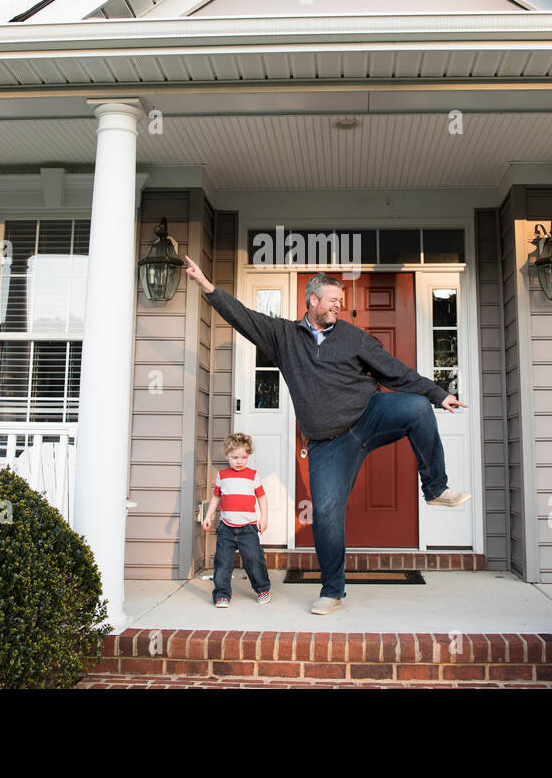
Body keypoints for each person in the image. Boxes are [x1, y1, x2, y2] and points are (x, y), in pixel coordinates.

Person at [183, 256, 469, 616]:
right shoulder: (284, 337)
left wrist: (438, 394)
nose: (339, 304)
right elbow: (243, 317)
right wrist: (208, 288)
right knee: (327, 515)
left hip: (368, 417)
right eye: (333, 299)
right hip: (329, 444)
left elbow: (395, 372)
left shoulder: (353, 337)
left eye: (340, 299)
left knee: (416, 407)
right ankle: (332, 590)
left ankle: (435, 489)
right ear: (312, 300)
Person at [202, 432, 271, 607]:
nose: (239, 461)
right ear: (227, 456)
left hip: (248, 528)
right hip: (226, 527)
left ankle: (262, 588)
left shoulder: (253, 475)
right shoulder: (222, 475)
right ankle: (222, 594)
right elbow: (216, 497)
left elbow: (262, 497)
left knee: (254, 559)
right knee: (223, 562)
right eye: (235, 457)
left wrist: (264, 518)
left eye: (243, 457)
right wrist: (208, 516)